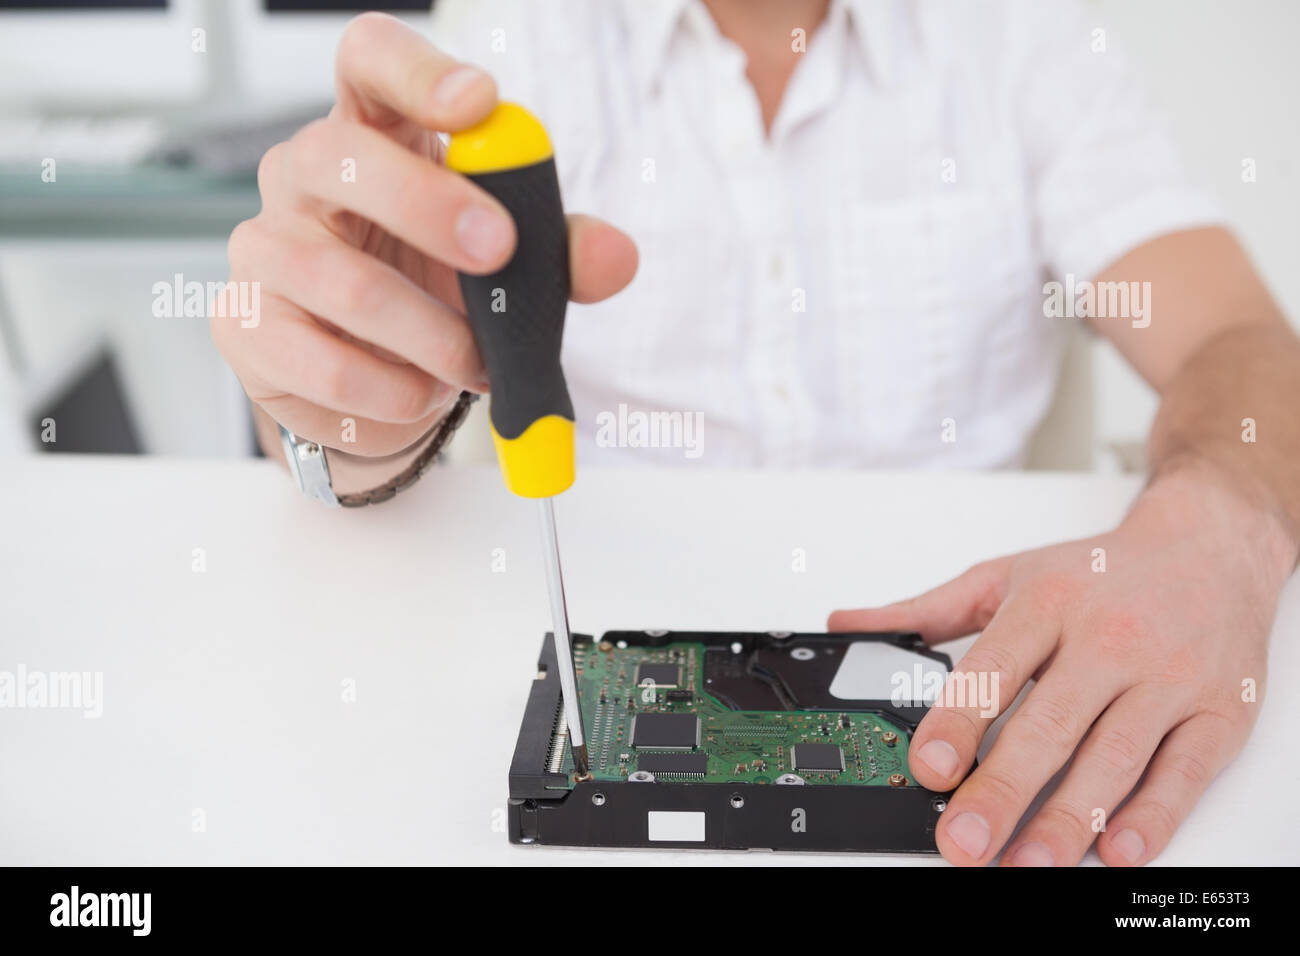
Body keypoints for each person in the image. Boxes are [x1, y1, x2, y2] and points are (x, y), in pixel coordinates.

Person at [213, 0, 1300, 865]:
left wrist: (1220, 527)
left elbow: (1241, 343)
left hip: (969, 683)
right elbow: (332, 430)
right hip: (584, 634)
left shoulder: (1019, 34)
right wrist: (348, 415)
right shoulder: (516, 43)